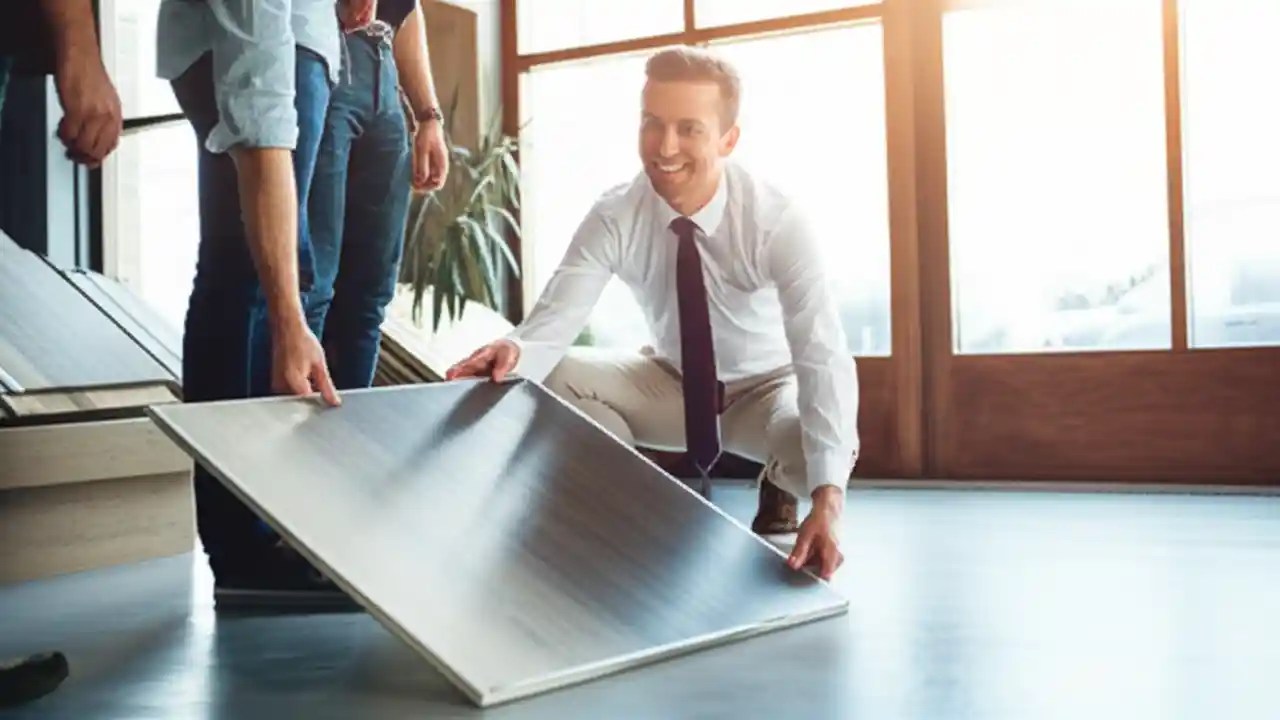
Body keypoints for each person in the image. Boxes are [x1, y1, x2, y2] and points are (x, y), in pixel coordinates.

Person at [446, 47, 859, 580]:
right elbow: (554, 320)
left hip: (768, 392)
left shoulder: (776, 220)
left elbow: (821, 351)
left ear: (728, 140)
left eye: (690, 129)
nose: (666, 148)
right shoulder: (617, 213)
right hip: (673, 386)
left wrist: (829, 506)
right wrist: (516, 350)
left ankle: (780, 479)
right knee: (556, 375)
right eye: (652, 124)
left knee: (829, 438)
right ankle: (629, 498)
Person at [156, 0, 372, 606]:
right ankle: (241, 546)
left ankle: (257, 536)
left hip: (299, 35)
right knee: (245, 281)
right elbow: (262, 119)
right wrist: (289, 322)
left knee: (247, 276)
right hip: (268, 34)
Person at [306, 0, 448, 391]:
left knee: (370, 295)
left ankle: (347, 437)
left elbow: (406, 8)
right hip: (320, 48)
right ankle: (293, 442)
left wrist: (428, 115)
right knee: (313, 286)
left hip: (384, 67)